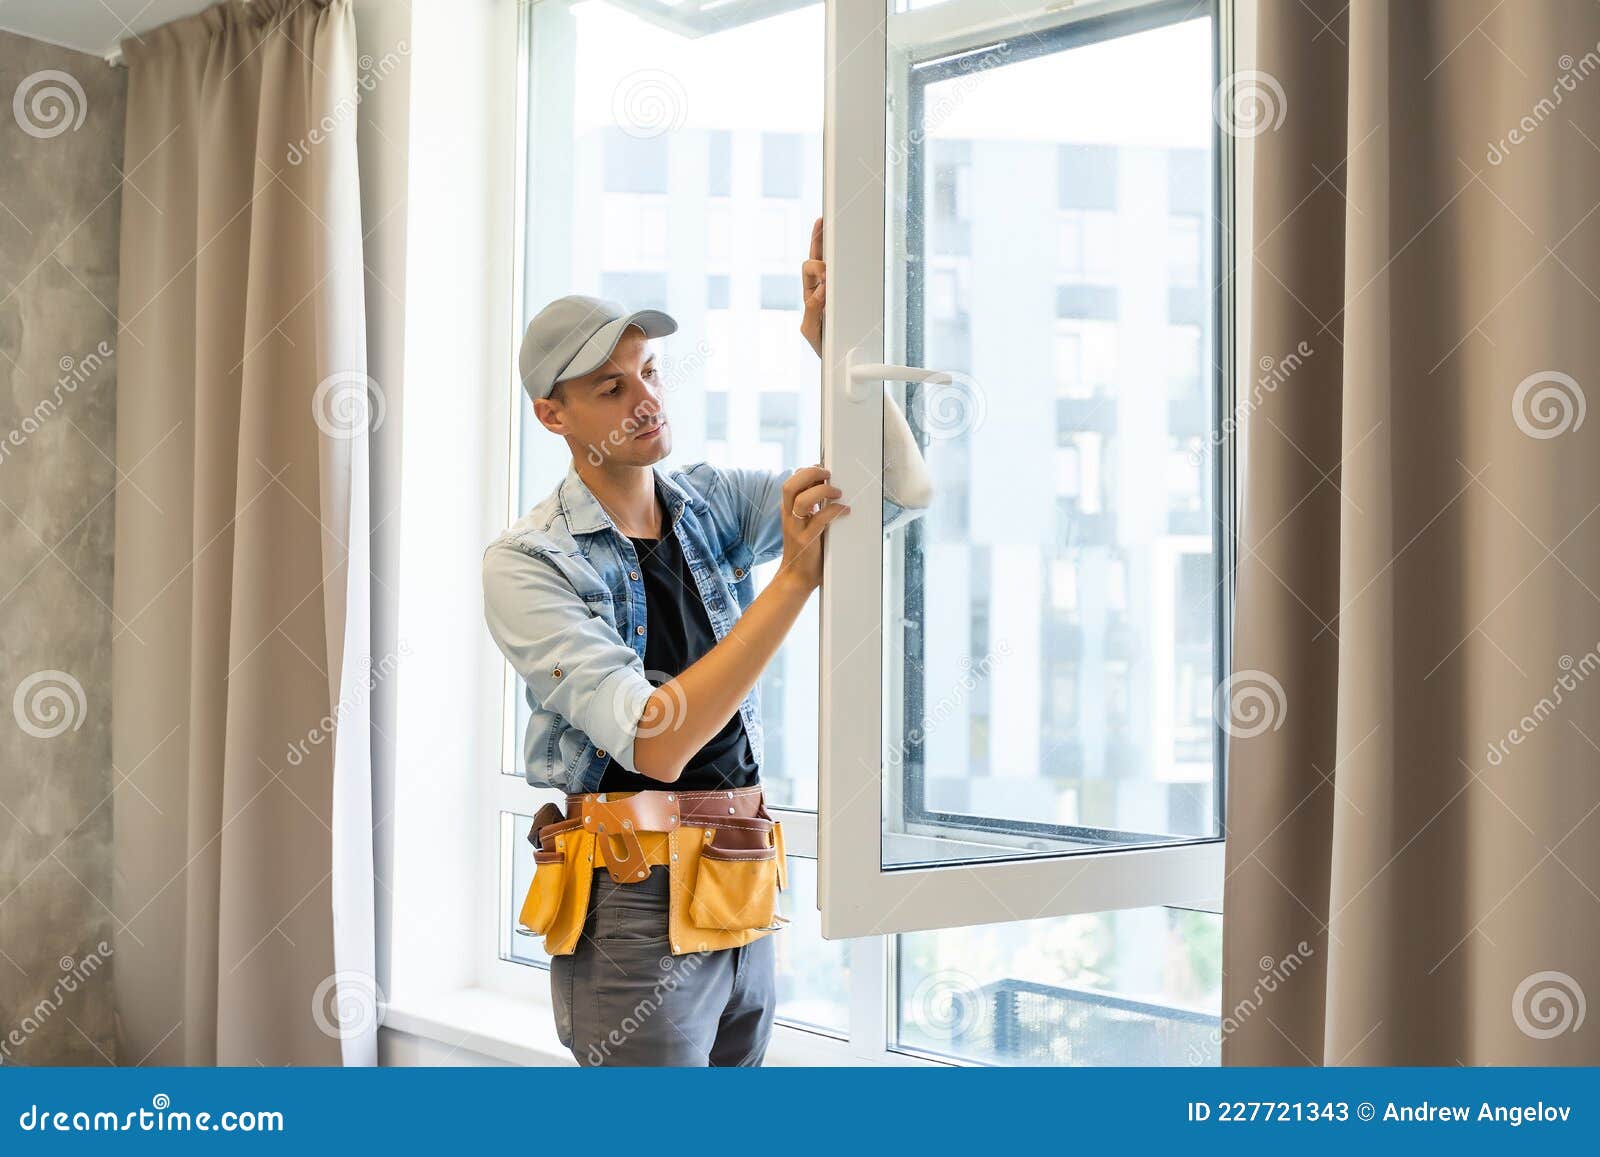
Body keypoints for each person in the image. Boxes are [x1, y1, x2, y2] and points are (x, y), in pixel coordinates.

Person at [481, 218, 932, 1066]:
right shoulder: (527, 564)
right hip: (632, 896)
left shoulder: (710, 503)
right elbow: (656, 739)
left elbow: (901, 493)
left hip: (739, 872)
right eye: (610, 389)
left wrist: (839, 351)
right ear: (554, 415)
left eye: (647, 372)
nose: (646, 398)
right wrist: (793, 578)